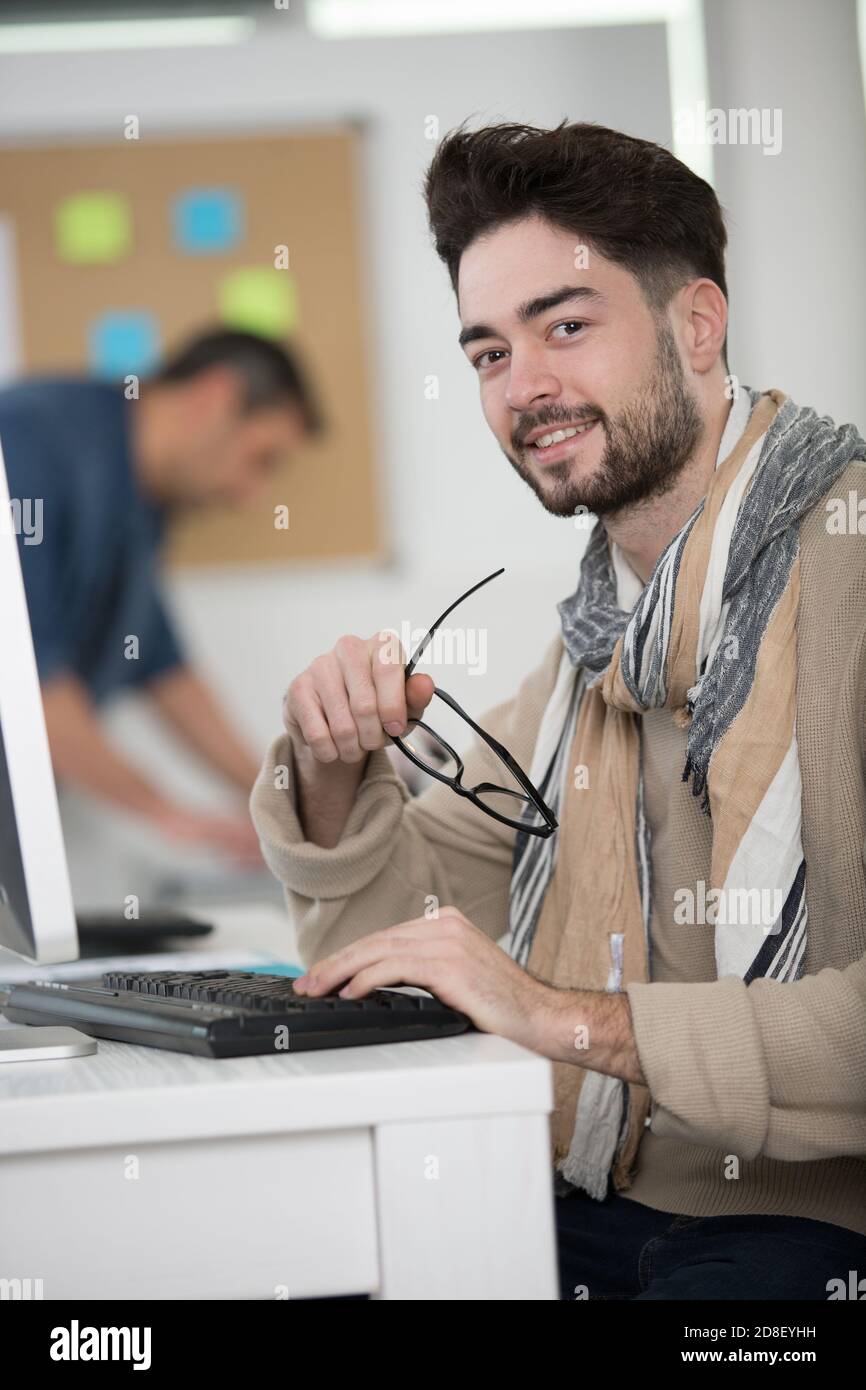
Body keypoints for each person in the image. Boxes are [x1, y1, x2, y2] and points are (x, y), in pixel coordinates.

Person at [249, 122, 866, 1300]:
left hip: (810, 1227)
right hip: (594, 1200)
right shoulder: (594, 643)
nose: (523, 387)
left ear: (695, 326)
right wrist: (332, 772)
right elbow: (418, 955)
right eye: (487, 352)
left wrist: (566, 1019)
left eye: (564, 326)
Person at [1, 327, 321, 864]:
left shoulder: (139, 502)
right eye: (260, 458)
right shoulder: (30, 440)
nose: (249, 495)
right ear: (213, 398)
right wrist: (168, 816)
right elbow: (24, 679)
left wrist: (278, 800)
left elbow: (165, 670)